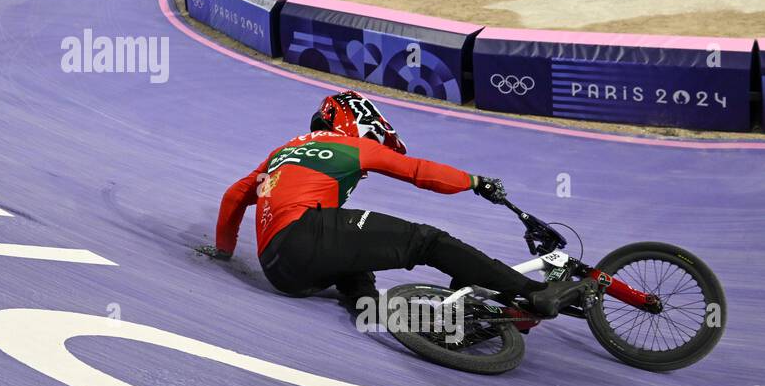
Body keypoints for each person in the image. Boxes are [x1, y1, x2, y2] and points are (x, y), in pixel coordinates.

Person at [200, 91, 585, 317]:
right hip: (307, 238)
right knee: (427, 241)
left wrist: (224, 252)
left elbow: (234, 197)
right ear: (359, 124)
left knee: (354, 243)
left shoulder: (280, 153)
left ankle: (366, 305)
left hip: (281, 272)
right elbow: (419, 172)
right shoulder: (352, 145)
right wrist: (474, 181)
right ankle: (532, 291)